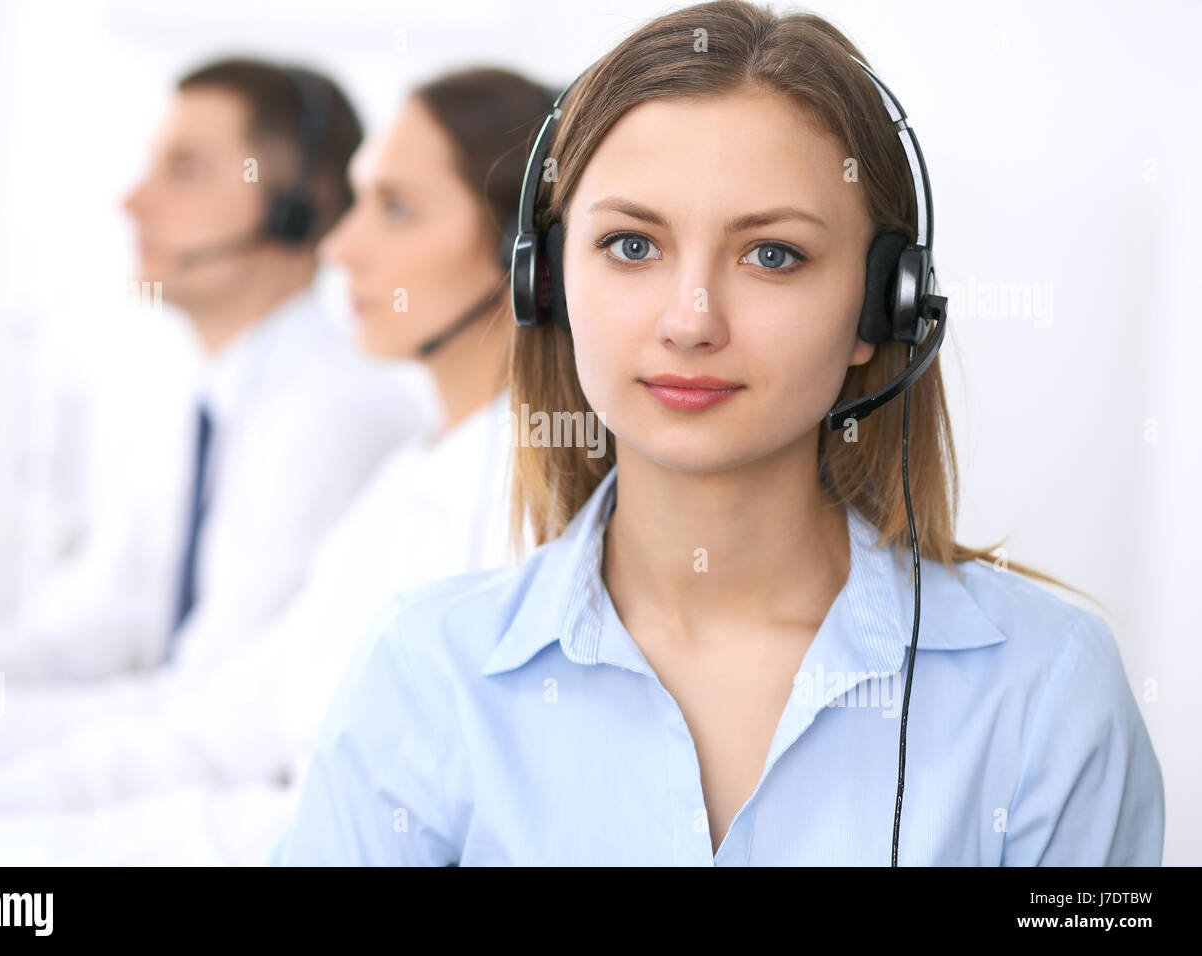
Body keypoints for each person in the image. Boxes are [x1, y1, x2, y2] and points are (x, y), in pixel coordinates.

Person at [273, 0, 1165, 866]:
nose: (691, 321)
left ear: (880, 308)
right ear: (546, 282)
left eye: (771, 254)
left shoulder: (1047, 691)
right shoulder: (426, 674)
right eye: (631, 245)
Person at [0, 68, 551, 865]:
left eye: (396, 209)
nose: (342, 247)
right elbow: (222, 716)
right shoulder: (410, 477)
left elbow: (355, 818)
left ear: (521, 253)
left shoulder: (493, 488)